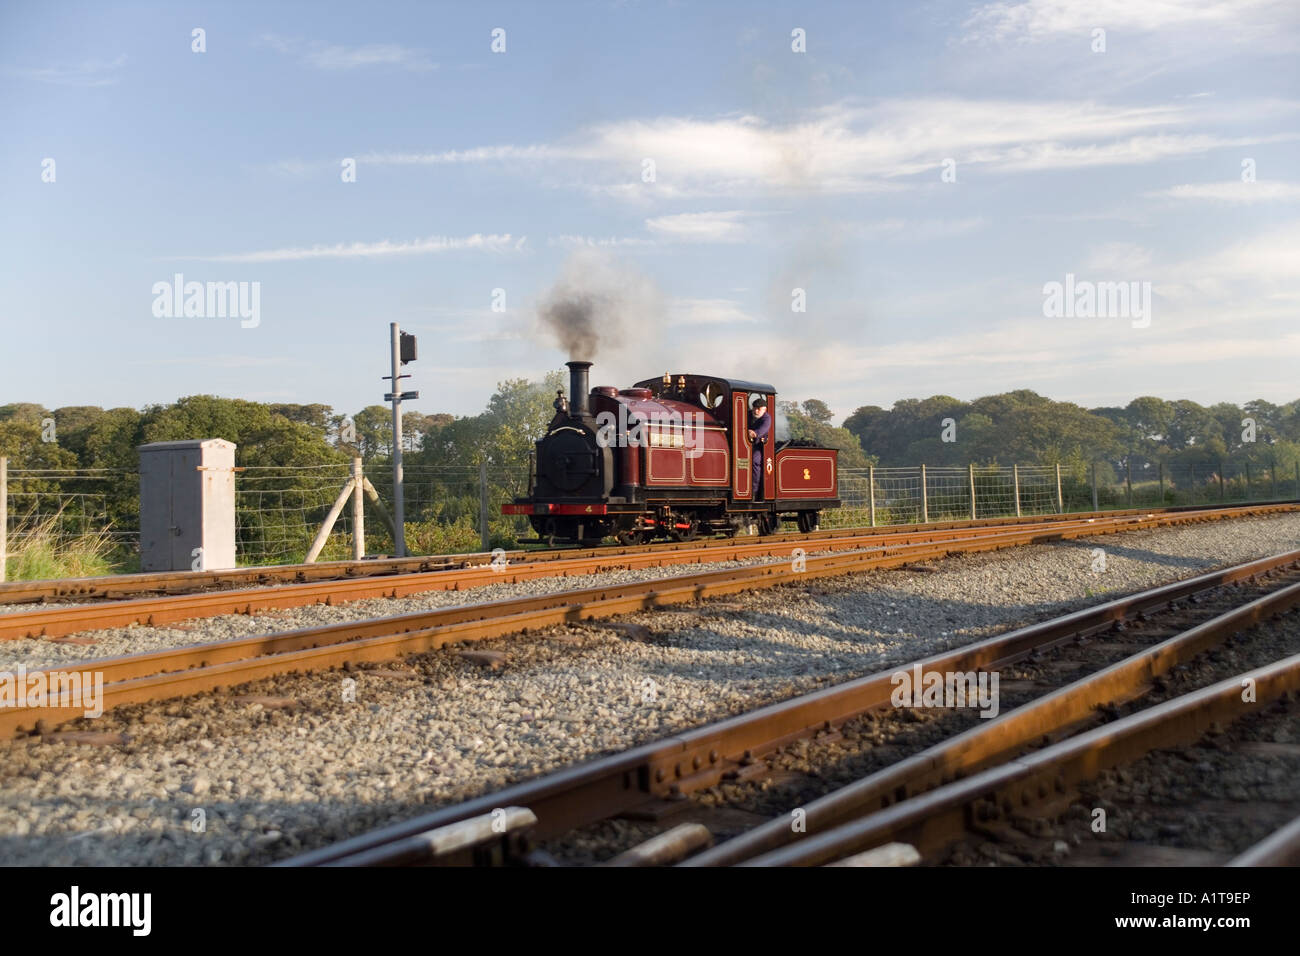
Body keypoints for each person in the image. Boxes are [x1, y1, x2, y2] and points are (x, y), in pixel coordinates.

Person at [748, 397, 772, 501]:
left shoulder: (766, 418)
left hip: (760, 446)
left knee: (755, 462)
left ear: (764, 409)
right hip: (746, 444)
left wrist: (753, 433)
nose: (756, 411)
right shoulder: (748, 414)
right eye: (754, 408)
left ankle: (754, 492)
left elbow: (759, 432)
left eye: (759, 409)